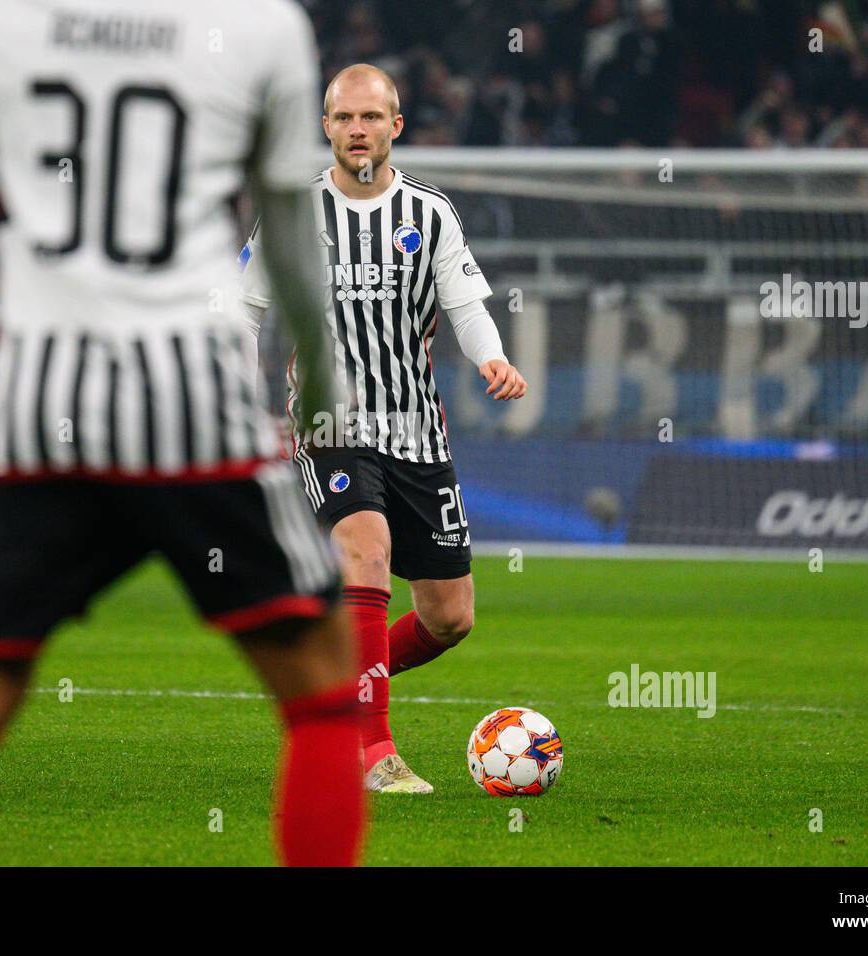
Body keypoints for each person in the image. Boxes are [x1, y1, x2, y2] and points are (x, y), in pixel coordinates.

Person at [0, 0, 363, 867]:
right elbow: (293, 243)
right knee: (320, 694)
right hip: (194, 408)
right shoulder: (262, 25)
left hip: (44, 408)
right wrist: (320, 394)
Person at [239, 64, 528, 793]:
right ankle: (372, 753)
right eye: (343, 118)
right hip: (329, 421)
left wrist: (493, 359)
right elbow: (241, 310)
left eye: (371, 117)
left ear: (396, 126)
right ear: (327, 127)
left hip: (417, 432)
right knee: (364, 549)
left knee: (451, 616)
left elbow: (463, 306)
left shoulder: (430, 213)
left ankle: (337, 681)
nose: (357, 129)